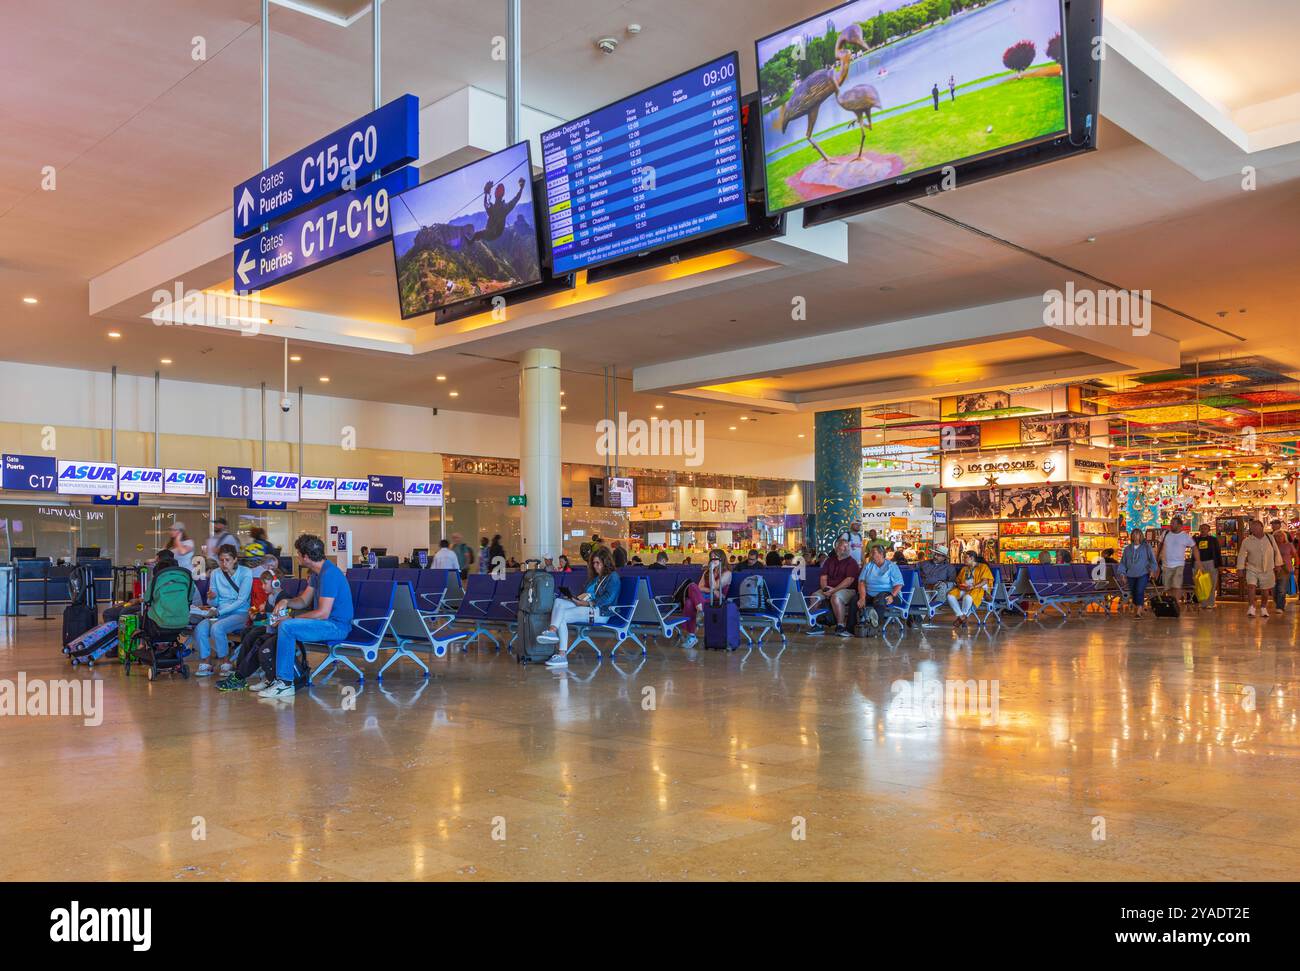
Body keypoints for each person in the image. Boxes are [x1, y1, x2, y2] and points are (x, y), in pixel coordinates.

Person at [265, 534, 355, 699]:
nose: (297, 556)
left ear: (306, 557)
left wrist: (293, 620)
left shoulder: (330, 574)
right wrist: (286, 601)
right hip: (326, 624)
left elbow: (322, 613)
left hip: (336, 627)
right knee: (284, 625)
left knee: (287, 626)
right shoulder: (317, 574)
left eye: (298, 554)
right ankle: (278, 679)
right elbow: (303, 600)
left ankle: (285, 683)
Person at [538, 547, 620, 666]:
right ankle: (552, 631)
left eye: (598, 563)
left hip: (600, 612)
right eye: (594, 563)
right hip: (588, 606)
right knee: (559, 602)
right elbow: (587, 594)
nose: (595, 566)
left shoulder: (613, 577)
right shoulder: (596, 578)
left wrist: (586, 603)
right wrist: (575, 599)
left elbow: (608, 599)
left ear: (605, 562)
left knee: (561, 616)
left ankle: (561, 654)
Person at [217, 570, 285, 692]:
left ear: (276, 583)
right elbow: (268, 615)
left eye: (265, 584)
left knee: (258, 641)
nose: (262, 586)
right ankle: (240, 671)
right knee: (248, 634)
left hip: (279, 632)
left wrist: (267, 611)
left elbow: (282, 618)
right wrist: (256, 615)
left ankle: (241, 676)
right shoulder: (270, 597)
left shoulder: (284, 598)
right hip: (271, 629)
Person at [192, 544, 252, 677]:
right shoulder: (215, 573)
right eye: (221, 560)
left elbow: (241, 600)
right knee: (200, 629)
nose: (224, 564)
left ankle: (225, 662)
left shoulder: (246, 573)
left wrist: (219, 612)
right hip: (220, 612)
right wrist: (211, 598)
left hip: (240, 612)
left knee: (217, 628)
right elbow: (213, 603)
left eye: (227, 560)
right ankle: (206, 662)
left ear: (235, 559)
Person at [678, 549, 733, 649]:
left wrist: (712, 573)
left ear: (722, 558)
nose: (714, 559)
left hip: (717, 600)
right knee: (692, 586)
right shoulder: (707, 572)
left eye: (716, 557)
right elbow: (700, 587)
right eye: (712, 557)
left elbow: (714, 586)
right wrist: (711, 590)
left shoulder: (727, 573)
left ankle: (691, 635)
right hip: (703, 598)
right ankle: (700, 611)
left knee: (690, 602)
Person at [808, 537, 859, 637]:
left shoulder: (852, 562)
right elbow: (823, 578)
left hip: (847, 590)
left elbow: (849, 581)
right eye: (843, 546)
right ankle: (817, 625)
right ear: (836, 548)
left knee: (836, 597)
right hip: (829, 588)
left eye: (847, 546)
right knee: (814, 596)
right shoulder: (829, 561)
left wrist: (833, 590)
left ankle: (840, 626)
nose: (846, 548)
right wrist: (825, 589)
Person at [857, 545, 904, 636]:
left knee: (880, 598)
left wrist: (892, 595)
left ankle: (875, 627)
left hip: (890, 594)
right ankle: (851, 629)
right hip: (870, 594)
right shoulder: (868, 566)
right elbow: (861, 582)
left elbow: (899, 584)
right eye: (871, 553)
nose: (871, 555)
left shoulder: (891, 566)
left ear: (881, 554)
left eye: (873, 553)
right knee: (855, 600)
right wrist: (862, 597)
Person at [1239, 519, 1277, 619]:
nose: (1254, 528)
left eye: (1256, 526)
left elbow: (1275, 551)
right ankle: (1251, 607)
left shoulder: (1270, 538)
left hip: (1267, 568)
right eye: (1252, 527)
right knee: (1251, 586)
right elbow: (1241, 555)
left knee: (1265, 591)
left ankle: (1264, 608)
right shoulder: (1246, 541)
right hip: (1252, 567)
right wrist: (1240, 568)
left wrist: (1278, 564)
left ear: (1261, 527)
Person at [948, 551, 993, 630]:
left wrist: (973, 586)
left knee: (967, 597)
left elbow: (985, 581)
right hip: (964, 588)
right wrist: (959, 585)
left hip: (977, 588)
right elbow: (958, 580)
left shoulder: (983, 567)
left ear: (972, 558)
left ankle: (962, 617)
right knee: (950, 596)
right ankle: (962, 617)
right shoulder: (964, 568)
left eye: (965, 557)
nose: (963, 559)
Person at [1119, 528, 1159, 617]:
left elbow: (1152, 560)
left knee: (1139, 590)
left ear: (1141, 535)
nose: (1135, 536)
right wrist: (1122, 573)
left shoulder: (1146, 547)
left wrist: (1152, 570)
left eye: (1137, 534)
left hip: (1143, 573)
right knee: (1133, 592)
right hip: (1130, 574)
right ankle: (1138, 608)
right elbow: (1123, 562)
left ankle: (1139, 610)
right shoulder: (1127, 549)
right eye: (1133, 534)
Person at [1159, 517, 1195, 596]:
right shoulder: (1165, 534)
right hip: (1166, 565)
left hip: (1179, 565)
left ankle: (1175, 603)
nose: (1171, 525)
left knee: (1176, 585)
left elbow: (1194, 547)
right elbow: (1159, 547)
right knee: (1167, 587)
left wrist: (1198, 560)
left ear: (1179, 525)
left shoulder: (1185, 536)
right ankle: (1173, 600)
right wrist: (1156, 559)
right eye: (1171, 523)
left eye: (1173, 523)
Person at [1193, 524, 1222, 608]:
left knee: (1212, 583)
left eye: (1205, 529)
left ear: (1208, 530)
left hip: (1211, 562)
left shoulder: (1213, 540)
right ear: (1199, 529)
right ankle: (1203, 603)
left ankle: (1211, 603)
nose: (1203, 530)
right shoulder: (1195, 539)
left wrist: (1219, 565)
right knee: (1199, 583)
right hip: (1198, 563)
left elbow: (1217, 552)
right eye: (1201, 528)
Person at [1269, 521, 1294, 611]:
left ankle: (1280, 606)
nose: (1274, 526)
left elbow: (1294, 554)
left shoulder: (1288, 542)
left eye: (1275, 524)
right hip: (1272, 568)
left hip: (1285, 568)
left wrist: (1295, 567)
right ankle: (1280, 602)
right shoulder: (1270, 540)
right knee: (1274, 590)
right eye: (1272, 524)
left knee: (1281, 589)